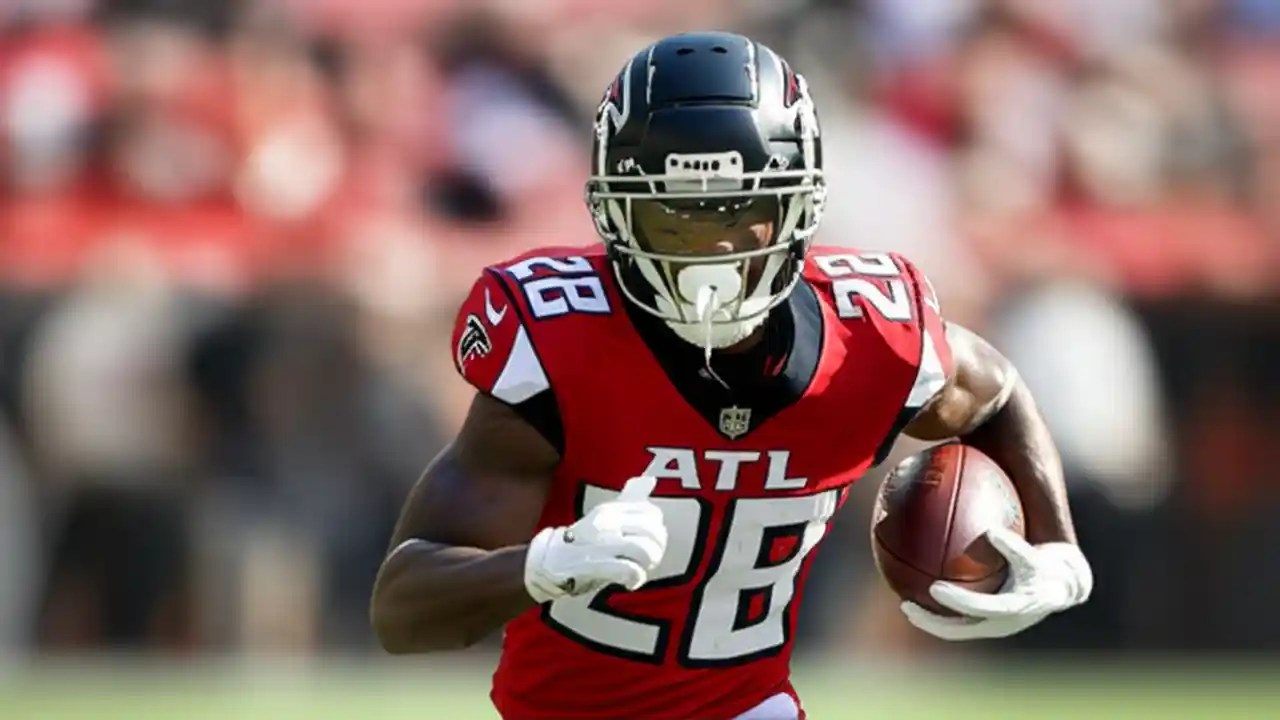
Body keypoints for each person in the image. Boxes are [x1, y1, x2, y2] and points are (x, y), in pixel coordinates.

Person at [370, 31, 1092, 720]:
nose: (708, 254)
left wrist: (1059, 547)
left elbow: (993, 392)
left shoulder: (875, 336)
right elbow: (401, 607)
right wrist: (543, 564)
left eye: (740, 213)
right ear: (613, 216)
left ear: (798, 208)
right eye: (674, 220)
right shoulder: (562, 346)